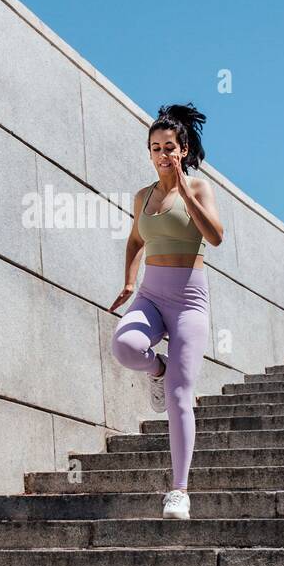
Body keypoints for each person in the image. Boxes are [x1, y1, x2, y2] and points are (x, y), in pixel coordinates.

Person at [109, 103, 224, 521]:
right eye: (154, 147)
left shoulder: (198, 189)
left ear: (183, 148)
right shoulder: (142, 196)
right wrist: (127, 281)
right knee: (124, 346)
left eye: (168, 147)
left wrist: (184, 190)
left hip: (190, 300)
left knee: (180, 397)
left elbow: (215, 237)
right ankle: (156, 370)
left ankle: (179, 490)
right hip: (151, 294)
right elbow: (136, 240)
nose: (161, 154)